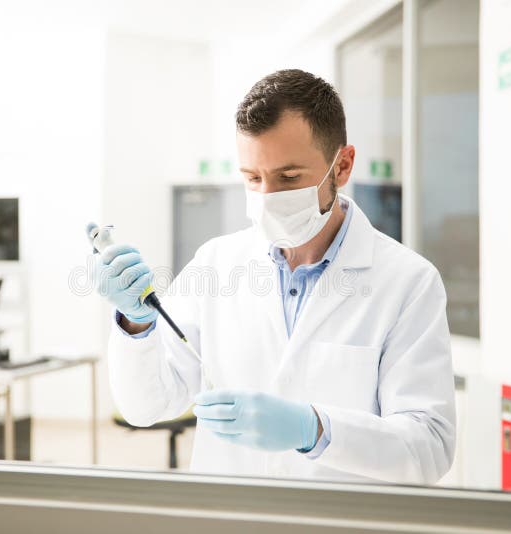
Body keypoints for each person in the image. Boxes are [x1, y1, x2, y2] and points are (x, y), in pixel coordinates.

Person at [92, 69, 455, 484]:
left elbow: (429, 447)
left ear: (342, 166)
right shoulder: (216, 263)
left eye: (288, 178)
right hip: (233, 515)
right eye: (252, 178)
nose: (267, 197)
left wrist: (314, 429)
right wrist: (137, 324)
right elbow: (146, 407)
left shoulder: (408, 282)